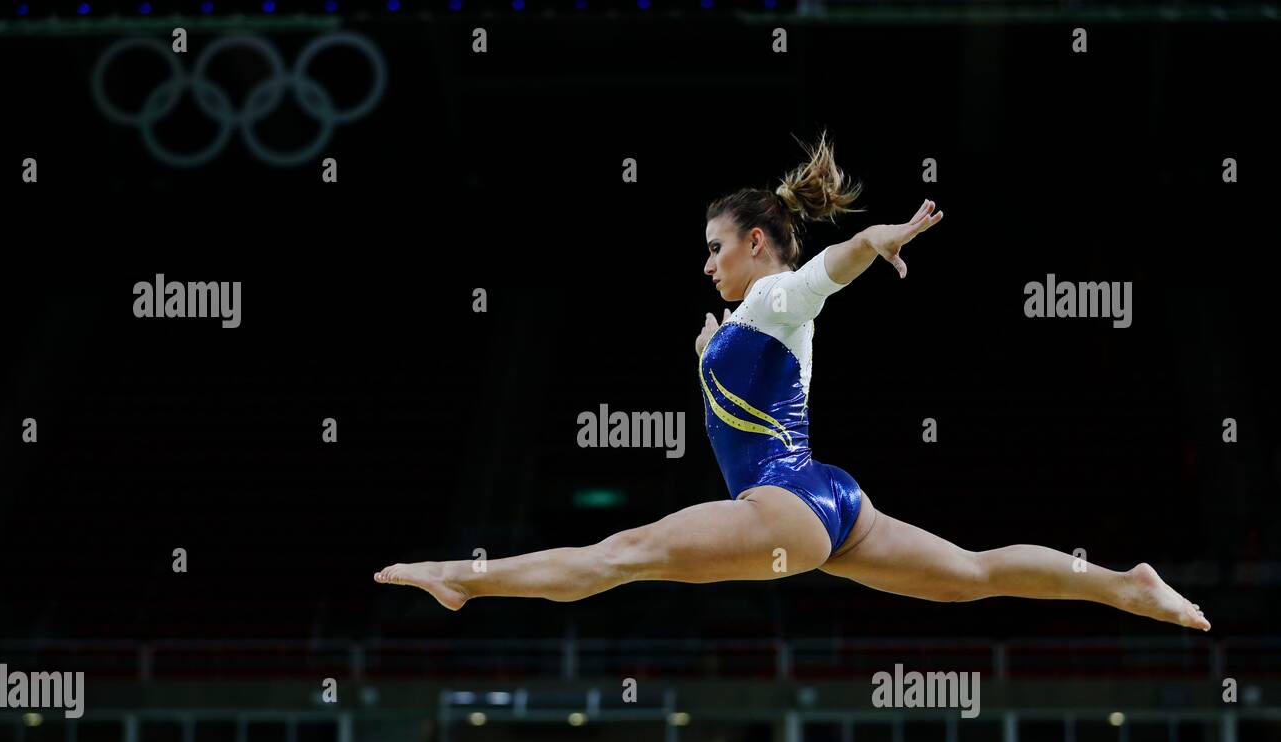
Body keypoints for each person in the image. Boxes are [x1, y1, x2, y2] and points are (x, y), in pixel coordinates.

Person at [375, 130, 1209, 633]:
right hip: (831, 501)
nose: (707, 261)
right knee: (974, 575)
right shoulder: (747, 323)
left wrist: (877, 238)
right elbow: (751, 368)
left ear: (759, 245)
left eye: (716, 245)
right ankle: (1123, 586)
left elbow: (824, 275)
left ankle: (464, 576)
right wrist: (708, 350)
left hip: (786, 505)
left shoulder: (777, 292)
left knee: (620, 555)